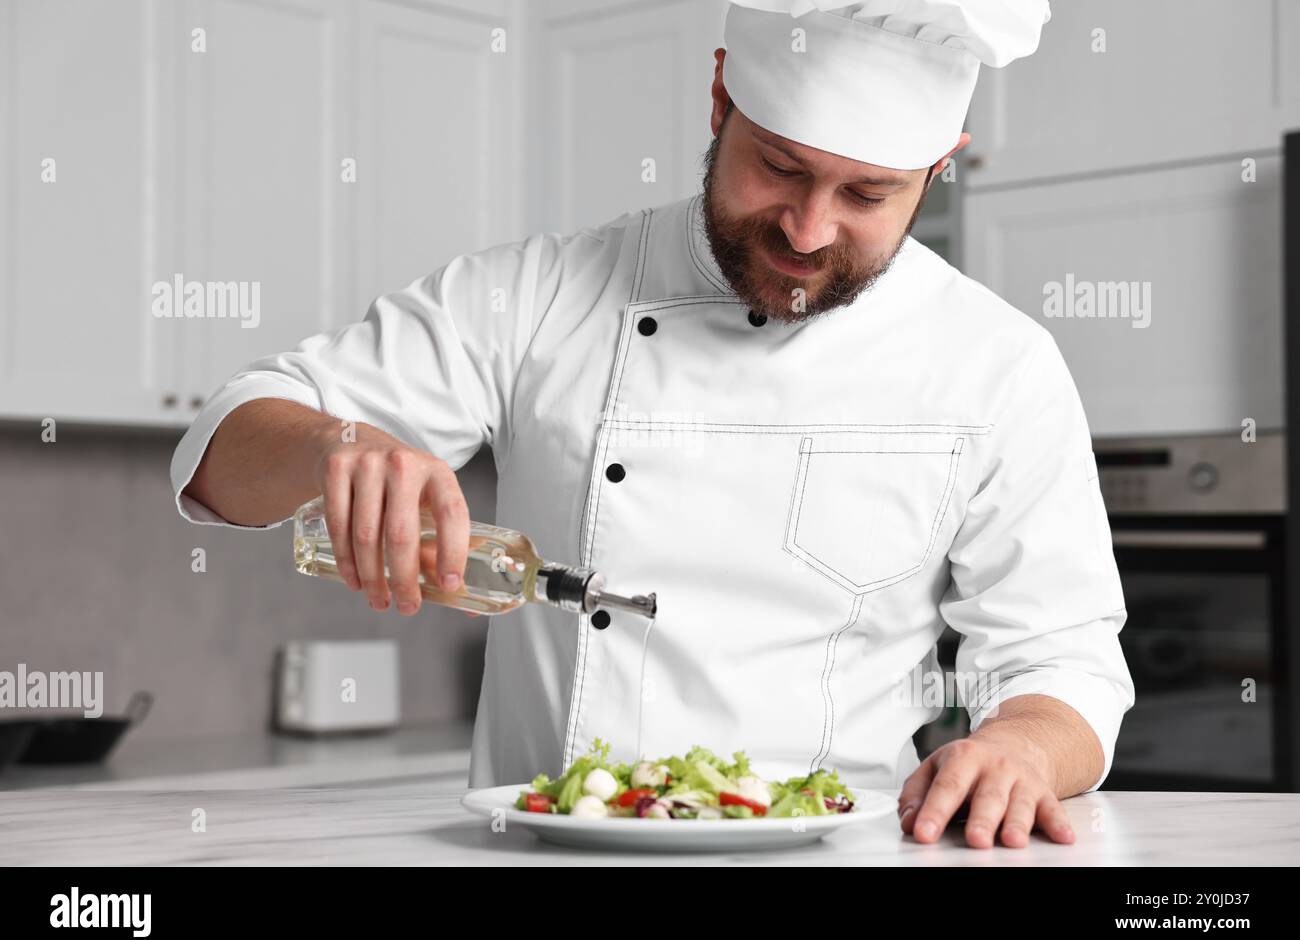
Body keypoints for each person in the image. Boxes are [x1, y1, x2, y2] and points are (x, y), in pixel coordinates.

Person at [172, 0, 1135, 849]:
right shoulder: (538, 295)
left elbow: (1067, 662)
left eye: (867, 195)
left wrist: (1018, 748)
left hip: (842, 856)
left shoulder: (998, 365)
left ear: (938, 168)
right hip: (550, 855)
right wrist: (339, 446)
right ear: (720, 99)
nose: (807, 229)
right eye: (779, 167)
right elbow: (219, 454)